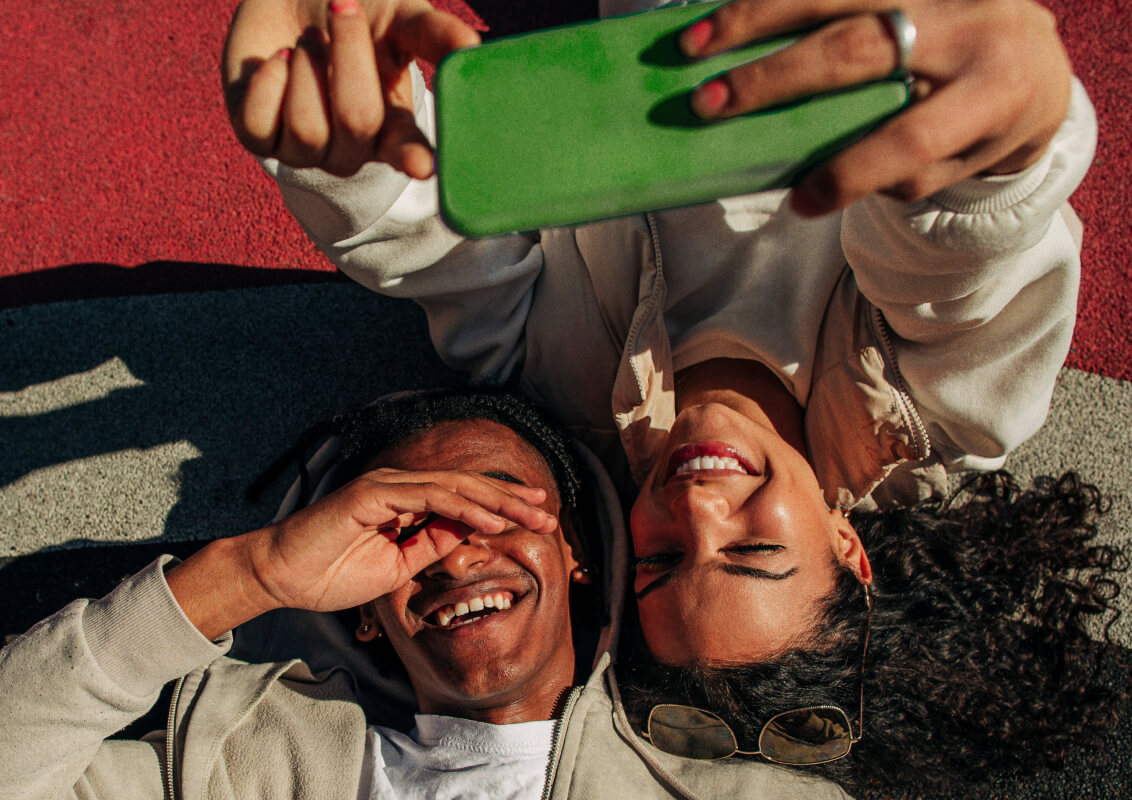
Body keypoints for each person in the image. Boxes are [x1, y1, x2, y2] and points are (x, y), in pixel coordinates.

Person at [218, 0, 1120, 790]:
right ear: (851, 549)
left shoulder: (564, 411)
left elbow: (445, 256)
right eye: (753, 549)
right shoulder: (941, 417)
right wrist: (993, 148)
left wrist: (344, 149)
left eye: (658, 563)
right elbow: (963, 257)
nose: (695, 507)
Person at [0, 388, 852, 800]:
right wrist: (247, 577)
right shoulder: (235, 768)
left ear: (575, 553)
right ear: (365, 612)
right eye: (406, 526)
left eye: (497, 504)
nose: (455, 555)